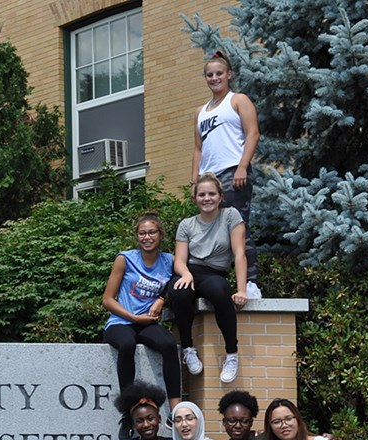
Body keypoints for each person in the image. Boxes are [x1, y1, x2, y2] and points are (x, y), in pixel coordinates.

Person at [154, 173, 249, 385]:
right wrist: (186, 273)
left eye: (212, 194)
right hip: (189, 271)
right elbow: (179, 260)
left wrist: (242, 290)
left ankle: (231, 354)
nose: (207, 198)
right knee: (179, 292)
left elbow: (240, 253)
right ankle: (188, 349)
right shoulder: (187, 224)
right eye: (202, 194)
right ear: (195, 198)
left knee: (219, 289)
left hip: (215, 273)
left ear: (220, 196)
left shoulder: (231, 216)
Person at [191, 50, 261, 298]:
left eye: (219, 73)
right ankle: (216, 282)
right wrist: (195, 180)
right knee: (213, 230)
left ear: (228, 74)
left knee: (238, 227)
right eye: (209, 74)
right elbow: (198, 148)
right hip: (209, 178)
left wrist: (243, 166)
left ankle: (250, 283)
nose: (214, 78)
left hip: (233, 171)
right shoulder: (201, 111)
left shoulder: (238, 100)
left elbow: (253, 133)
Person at [102, 211, 181, 417]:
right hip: (121, 322)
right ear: (137, 236)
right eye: (142, 233)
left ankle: (176, 410)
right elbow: (107, 300)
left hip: (147, 324)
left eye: (152, 232)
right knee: (127, 344)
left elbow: (180, 281)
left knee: (169, 345)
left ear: (161, 235)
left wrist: (161, 300)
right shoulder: (125, 259)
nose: (147, 237)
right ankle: (129, 412)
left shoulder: (168, 260)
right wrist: (135, 318)